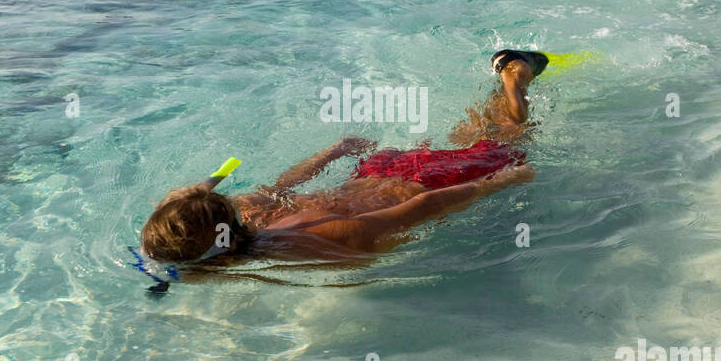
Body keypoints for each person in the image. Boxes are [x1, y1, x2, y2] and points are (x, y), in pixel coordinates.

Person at [140, 50, 546, 264]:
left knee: (511, 136)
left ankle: (515, 78)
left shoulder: (312, 241)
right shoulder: (246, 207)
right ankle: (505, 80)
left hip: (427, 183)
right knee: (475, 132)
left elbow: (424, 206)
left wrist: (500, 182)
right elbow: (282, 185)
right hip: (376, 169)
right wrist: (330, 152)